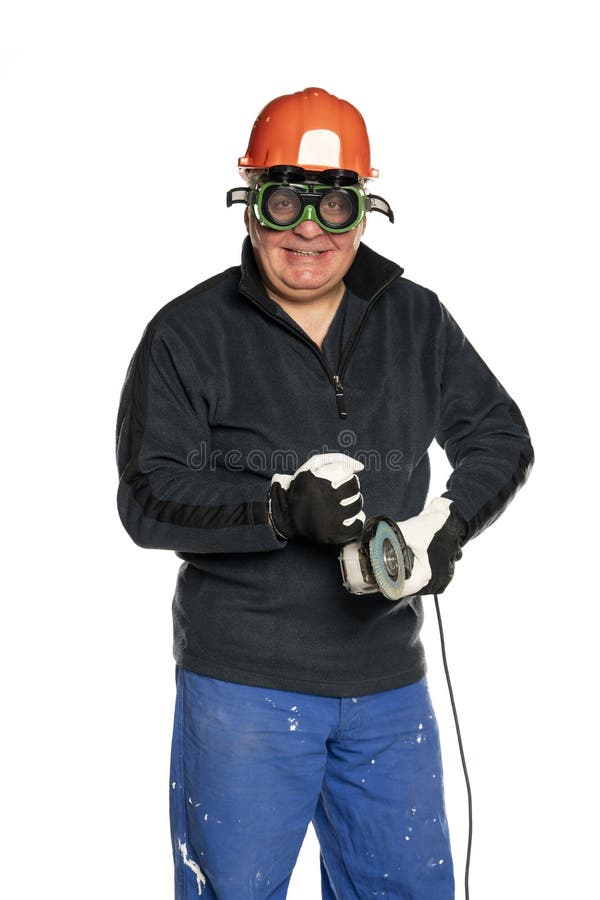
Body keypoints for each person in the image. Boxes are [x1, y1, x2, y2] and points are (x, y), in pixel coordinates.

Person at [116, 86, 533, 899]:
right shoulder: (186, 332)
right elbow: (146, 496)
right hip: (243, 691)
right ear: (249, 209)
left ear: (363, 213)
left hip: (388, 687)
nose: (309, 228)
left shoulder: (414, 319)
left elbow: (500, 436)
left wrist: (446, 525)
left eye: (334, 205)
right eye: (284, 202)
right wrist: (274, 511)